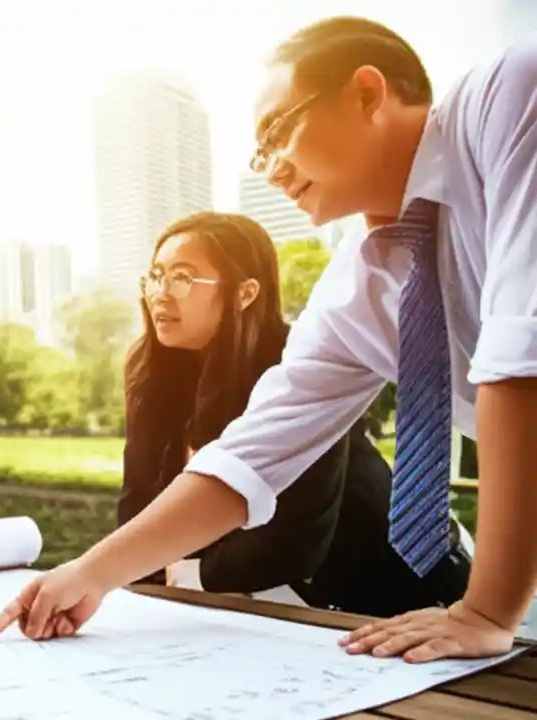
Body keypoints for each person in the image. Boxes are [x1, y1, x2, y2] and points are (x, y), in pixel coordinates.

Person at [0, 17, 537, 663]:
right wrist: (91, 574)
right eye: (259, 152)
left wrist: (485, 610)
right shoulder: (355, 289)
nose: (272, 169)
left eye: (277, 132)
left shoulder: (509, 98)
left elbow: (521, 357)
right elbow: (247, 459)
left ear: (365, 93)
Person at [119, 211, 469, 616]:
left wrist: (195, 575)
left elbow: (297, 537)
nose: (160, 293)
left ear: (245, 292)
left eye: (182, 277)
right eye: (156, 276)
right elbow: (139, 500)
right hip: (273, 598)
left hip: (401, 591)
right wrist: (130, 585)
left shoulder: (294, 363)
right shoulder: (150, 369)